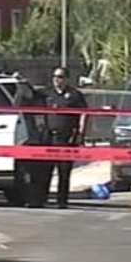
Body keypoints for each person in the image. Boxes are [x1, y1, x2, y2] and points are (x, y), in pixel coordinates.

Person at [41, 67, 89, 209]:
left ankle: (62, 201)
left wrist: (81, 134)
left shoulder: (74, 95)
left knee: (64, 170)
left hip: (66, 138)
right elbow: (30, 96)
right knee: (46, 170)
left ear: (66, 79)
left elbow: (84, 113)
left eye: (60, 76)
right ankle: (43, 199)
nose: (57, 79)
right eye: (55, 76)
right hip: (50, 137)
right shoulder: (48, 93)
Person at [12, 73, 48, 208]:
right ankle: (28, 198)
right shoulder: (18, 100)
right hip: (22, 141)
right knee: (25, 172)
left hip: (36, 141)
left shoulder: (39, 100)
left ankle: (37, 199)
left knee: (36, 172)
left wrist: (23, 83)